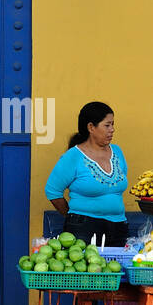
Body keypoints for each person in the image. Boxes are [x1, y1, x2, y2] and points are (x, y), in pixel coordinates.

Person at [44, 101, 130, 247]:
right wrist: (73, 215)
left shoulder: (118, 152)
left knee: (116, 268)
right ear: (91, 127)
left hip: (118, 227)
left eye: (113, 124)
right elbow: (53, 191)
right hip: (83, 230)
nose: (112, 130)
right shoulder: (73, 156)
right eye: (107, 125)